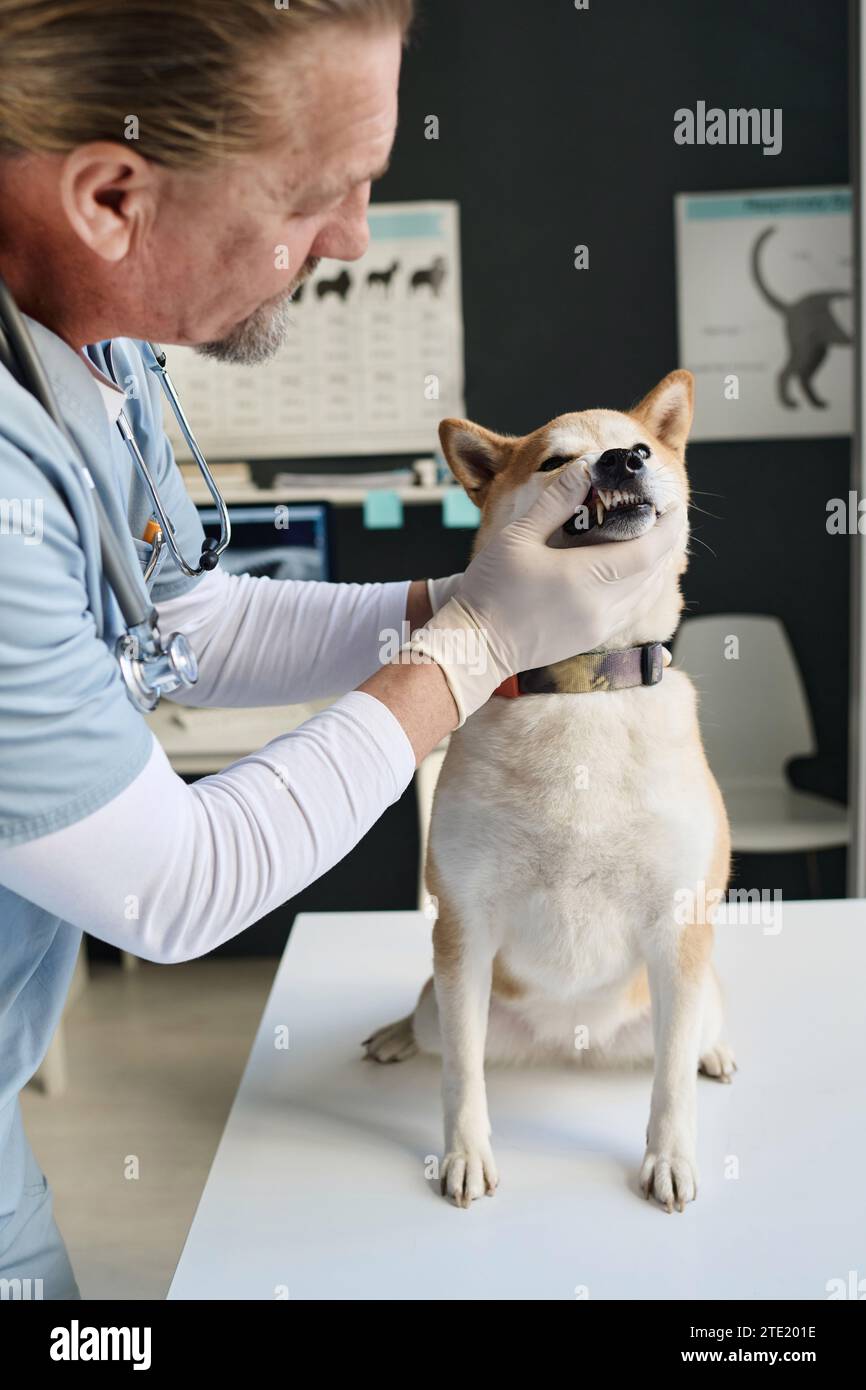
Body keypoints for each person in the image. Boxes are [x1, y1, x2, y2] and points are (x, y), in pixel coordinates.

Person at [0, 0, 682, 1298]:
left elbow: (185, 620)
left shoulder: (94, 344)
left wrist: (449, 600)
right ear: (108, 196)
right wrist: (482, 645)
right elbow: (173, 886)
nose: (355, 238)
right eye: (320, 192)